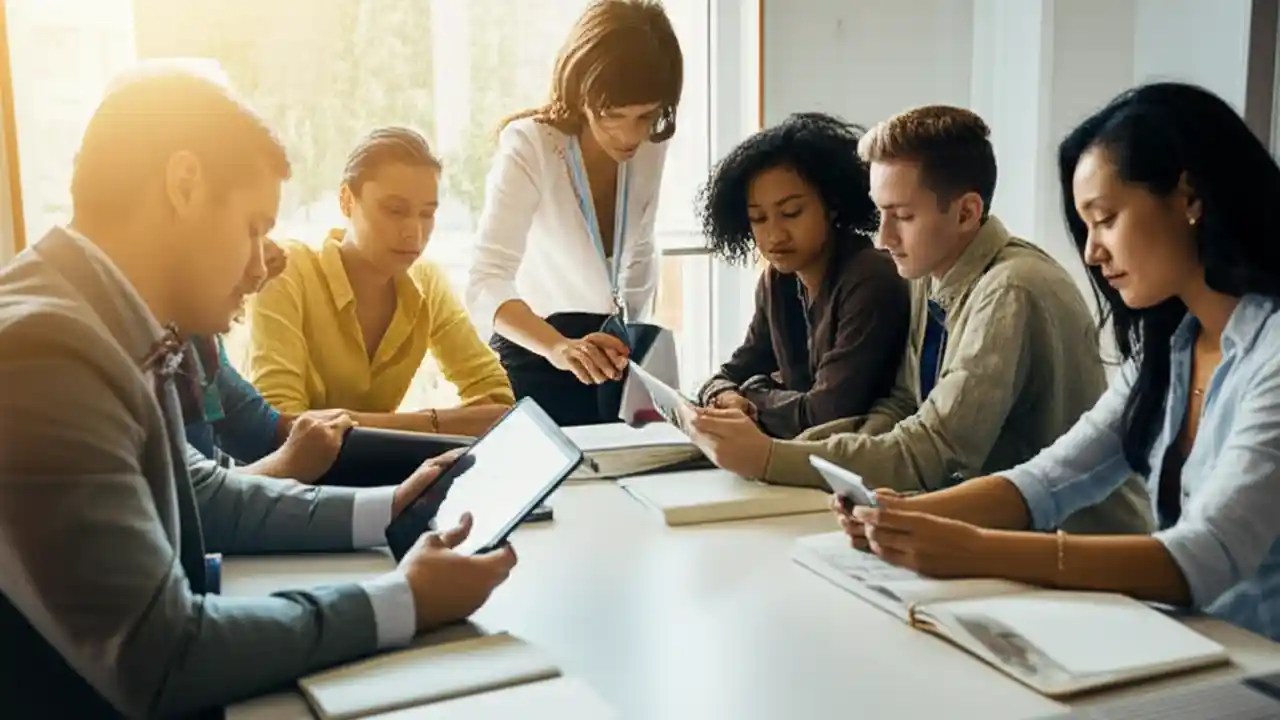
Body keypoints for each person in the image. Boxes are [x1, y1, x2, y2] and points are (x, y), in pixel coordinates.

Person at [0, 65, 516, 717]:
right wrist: (405, 600)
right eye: (251, 226)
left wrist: (384, 509)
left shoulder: (112, 323)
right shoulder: (45, 352)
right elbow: (160, 657)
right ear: (184, 185)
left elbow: (201, 494)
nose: (258, 264)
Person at [840, 82, 1280, 642]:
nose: (1092, 253)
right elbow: (1047, 480)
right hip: (1188, 645)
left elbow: (1203, 555)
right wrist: (902, 516)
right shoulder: (1169, 345)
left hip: (1257, 669)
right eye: (1086, 226)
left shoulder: (1272, 354)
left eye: (1106, 218)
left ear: (1189, 198)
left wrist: (975, 550)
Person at [689, 104, 1149, 533]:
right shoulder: (927, 276)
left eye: (902, 216)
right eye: (880, 213)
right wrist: (821, 463)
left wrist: (771, 458)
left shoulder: (1010, 290)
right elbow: (901, 406)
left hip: (1078, 550)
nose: (883, 236)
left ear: (967, 212)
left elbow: (937, 452)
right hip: (993, 534)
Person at [466, 0, 683, 427]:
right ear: (580, 94)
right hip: (539, 351)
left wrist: (637, 332)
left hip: (612, 354)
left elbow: (639, 248)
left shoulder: (651, 145)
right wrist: (558, 347)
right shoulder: (531, 144)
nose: (630, 134)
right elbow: (485, 280)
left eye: (646, 116)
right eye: (613, 115)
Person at [249, 126, 514, 438]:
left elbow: (502, 407)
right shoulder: (287, 271)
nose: (413, 233)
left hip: (379, 471)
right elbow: (282, 426)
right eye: (395, 210)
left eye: (426, 214)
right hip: (292, 480)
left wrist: (356, 422)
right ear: (347, 200)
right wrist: (435, 424)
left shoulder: (426, 282)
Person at [694, 112, 910, 440]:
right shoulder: (778, 281)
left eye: (792, 213)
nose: (774, 235)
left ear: (832, 204)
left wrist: (750, 395)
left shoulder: (871, 279)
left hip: (861, 464)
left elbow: (825, 415)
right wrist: (722, 394)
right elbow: (730, 374)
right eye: (758, 218)